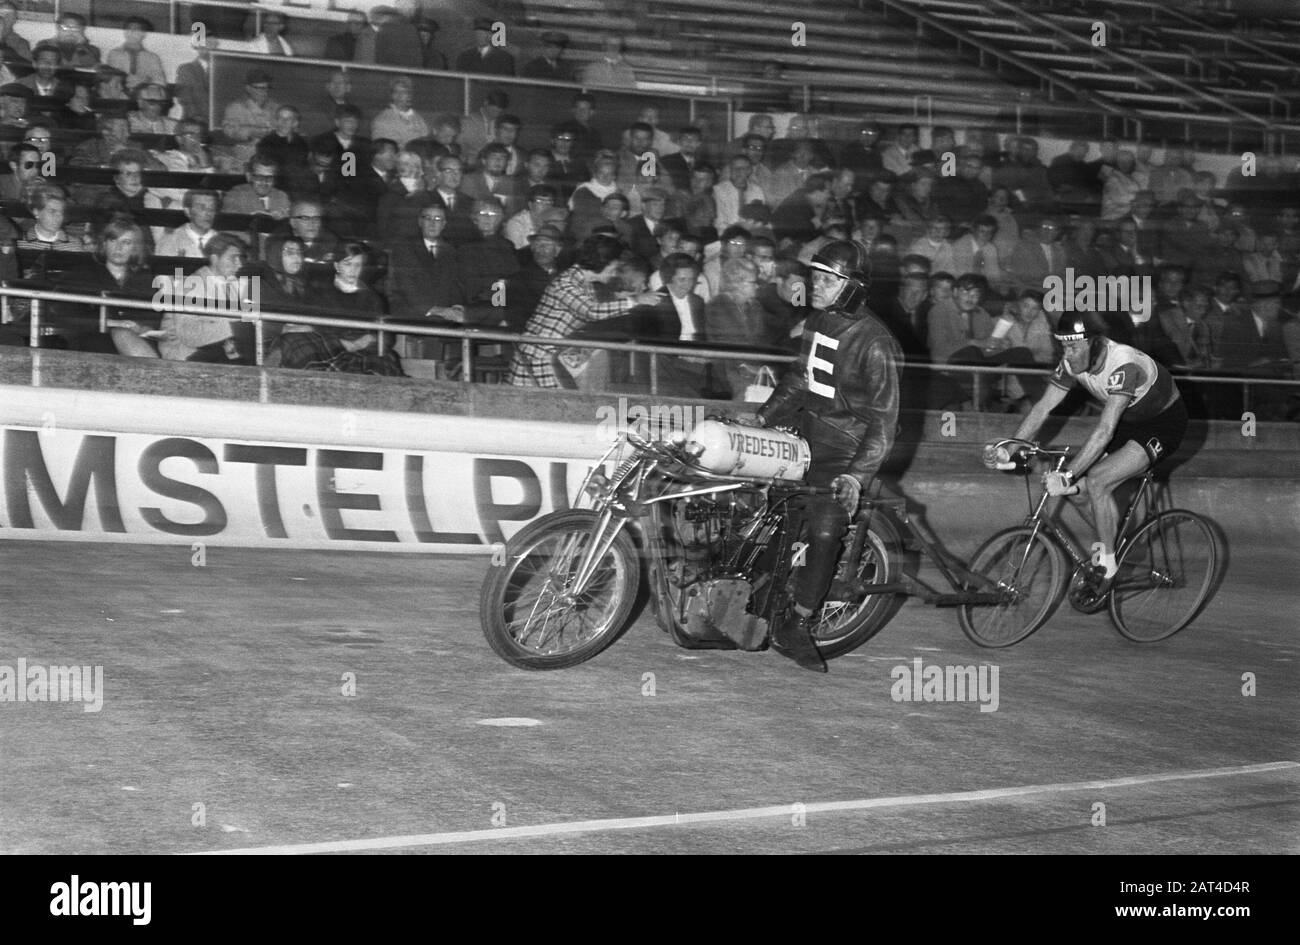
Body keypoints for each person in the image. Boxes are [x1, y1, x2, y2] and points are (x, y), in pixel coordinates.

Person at [750, 240, 901, 672]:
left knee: (823, 529)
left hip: (847, 450)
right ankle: (757, 594)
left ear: (851, 286)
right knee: (765, 508)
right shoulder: (820, 320)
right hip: (807, 436)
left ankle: (800, 621)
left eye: (825, 279)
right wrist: (761, 419)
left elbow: (885, 423)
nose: (814, 285)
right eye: (814, 276)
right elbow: (800, 380)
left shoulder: (876, 343)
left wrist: (856, 476)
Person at [987, 314, 1189, 599]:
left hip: (1163, 424)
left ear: (1095, 344)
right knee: (1076, 491)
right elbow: (1042, 408)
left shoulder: (1123, 362)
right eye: (1064, 348)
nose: (1068, 355)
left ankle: (1107, 567)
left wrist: (1068, 474)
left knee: (1096, 480)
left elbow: (1105, 430)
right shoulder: (1072, 361)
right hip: (1127, 421)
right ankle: (1113, 545)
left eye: (1074, 348)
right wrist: (1010, 447)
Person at [507, 235, 659, 387]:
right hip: (538, 355)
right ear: (602, 263)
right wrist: (635, 300)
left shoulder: (585, 283)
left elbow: (598, 317)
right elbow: (591, 311)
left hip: (552, 354)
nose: (614, 274)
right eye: (613, 269)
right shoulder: (565, 283)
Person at [158, 233, 254, 363]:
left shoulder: (236, 283)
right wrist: (235, 325)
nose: (239, 265)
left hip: (223, 349)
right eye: (233, 258)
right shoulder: (191, 284)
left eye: (240, 259)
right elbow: (188, 335)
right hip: (184, 353)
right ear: (215, 259)